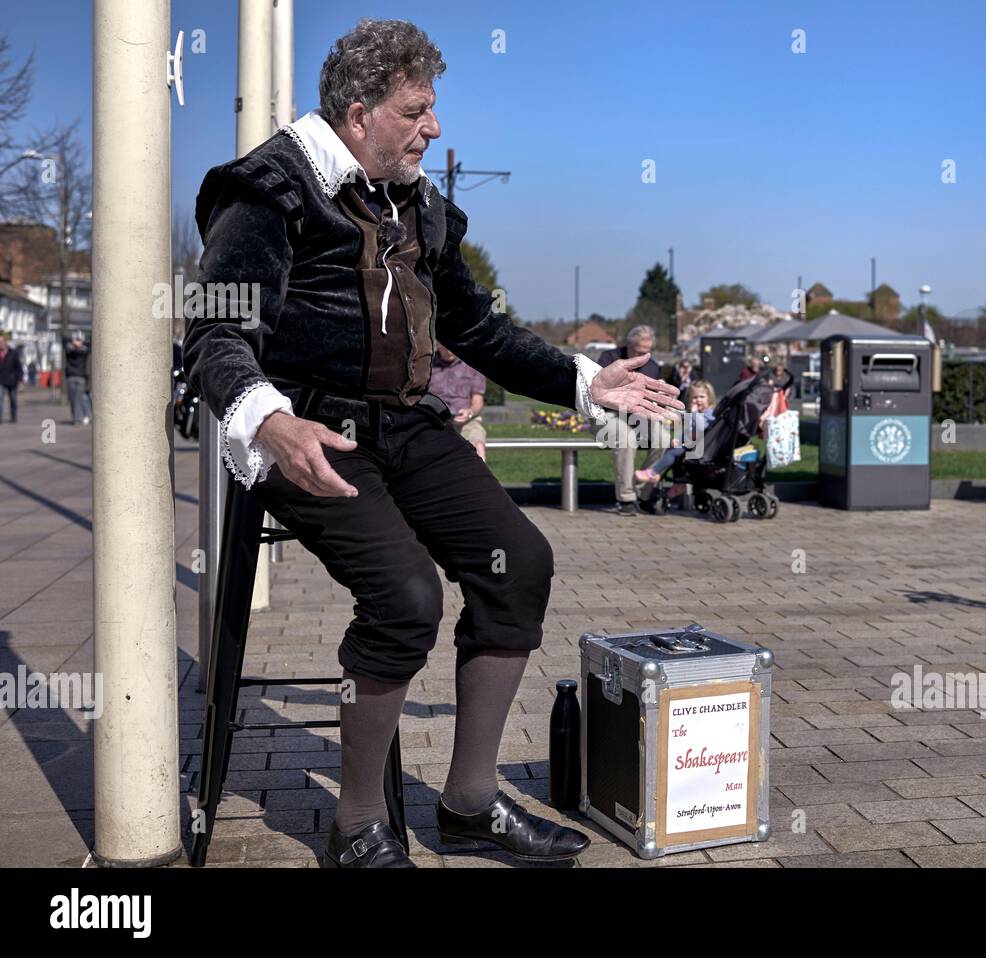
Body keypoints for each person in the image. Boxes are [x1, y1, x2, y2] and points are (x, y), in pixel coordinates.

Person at [182, 18, 682, 868]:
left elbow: (479, 327)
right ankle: (357, 824)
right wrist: (267, 419)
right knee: (407, 597)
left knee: (518, 561)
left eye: (433, 109)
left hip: (406, 423)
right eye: (416, 110)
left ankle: (469, 804)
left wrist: (583, 378)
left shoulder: (422, 206)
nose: (435, 128)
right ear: (356, 111)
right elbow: (214, 334)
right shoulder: (267, 189)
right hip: (306, 424)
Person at [597, 325, 670, 516]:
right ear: (628, 345)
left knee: (663, 439)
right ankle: (626, 497)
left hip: (638, 415)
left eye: (646, 352)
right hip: (608, 413)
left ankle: (643, 493)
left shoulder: (653, 366)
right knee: (626, 438)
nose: (642, 357)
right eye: (638, 352)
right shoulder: (609, 359)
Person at [635, 380, 716, 492]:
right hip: (692, 444)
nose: (697, 400)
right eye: (694, 398)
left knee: (674, 453)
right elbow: (688, 431)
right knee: (672, 451)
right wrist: (678, 439)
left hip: (702, 447)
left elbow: (700, 428)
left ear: (710, 398)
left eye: (701, 397)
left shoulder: (709, 414)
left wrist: (693, 413)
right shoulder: (696, 414)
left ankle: (652, 472)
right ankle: (678, 482)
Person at [427, 342, 487, 460]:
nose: (449, 351)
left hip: (467, 421)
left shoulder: (473, 365)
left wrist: (469, 412)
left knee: (477, 448)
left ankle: (478, 476)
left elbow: (478, 401)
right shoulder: (426, 365)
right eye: (445, 345)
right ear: (438, 344)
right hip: (433, 421)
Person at [63, 332, 92, 425]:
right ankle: (76, 417)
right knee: (72, 399)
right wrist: (74, 342)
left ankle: (77, 419)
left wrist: (81, 343)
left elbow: (90, 346)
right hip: (71, 377)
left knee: (78, 399)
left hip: (80, 377)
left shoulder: (83, 351)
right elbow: (64, 340)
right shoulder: (70, 350)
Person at [0, 334, 22, 423]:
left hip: (11, 379)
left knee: (13, 399)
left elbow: (19, 367)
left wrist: (20, 379)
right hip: (0, 379)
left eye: (1, 342)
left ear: (5, 343)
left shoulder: (13, 353)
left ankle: (13, 416)